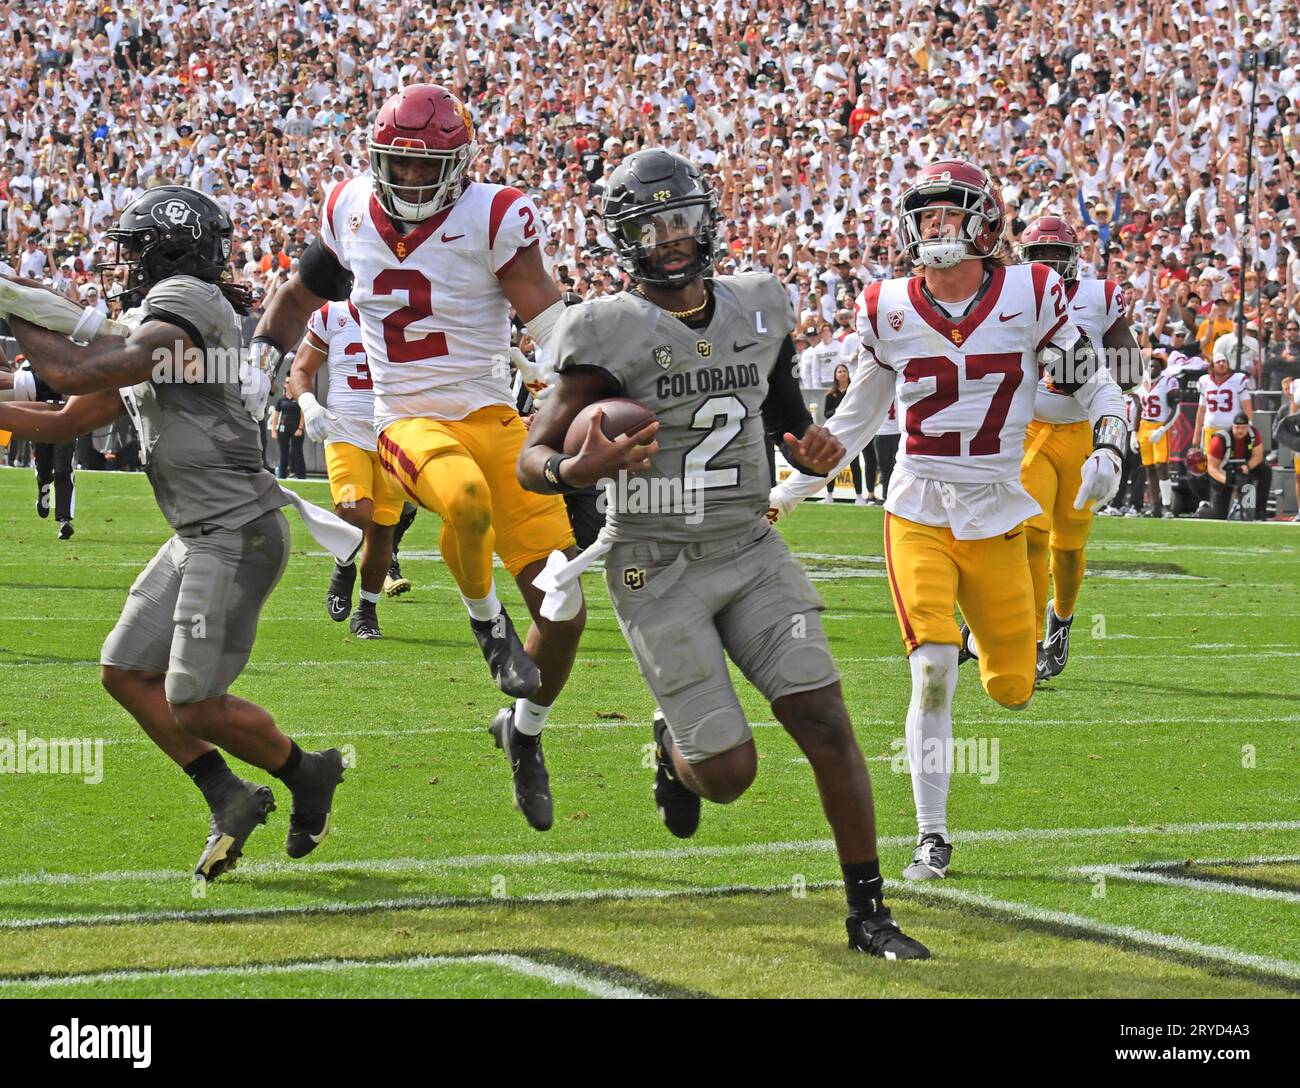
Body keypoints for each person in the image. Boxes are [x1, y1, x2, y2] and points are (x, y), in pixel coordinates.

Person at [519, 148, 928, 960]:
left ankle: (868, 913)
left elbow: (785, 414)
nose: (669, 239)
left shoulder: (758, 304)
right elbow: (532, 459)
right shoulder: (602, 329)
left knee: (825, 718)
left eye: (679, 221)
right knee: (729, 775)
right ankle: (673, 751)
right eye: (650, 228)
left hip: (749, 544)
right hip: (655, 561)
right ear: (625, 241)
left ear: (704, 221)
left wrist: (808, 444)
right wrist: (576, 469)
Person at [769, 160, 1126, 881]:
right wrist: (790, 491)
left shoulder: (1031, 291)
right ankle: (931, 835)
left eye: (949, 213)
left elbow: (1095, 382)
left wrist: (1112, 444)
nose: (934, 226)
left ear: (984, 224)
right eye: (925, 214)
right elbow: (855, 422)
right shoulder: (886, 305)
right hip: (918, 507)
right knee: (932, 670)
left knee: (1012, 687)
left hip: (996, 509)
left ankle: (994, 641)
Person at [251, 84, 584, 831]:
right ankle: (487, 625)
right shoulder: (347, 207)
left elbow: (549, 319)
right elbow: (297, 296)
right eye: (396, 164)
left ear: (458, 165)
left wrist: (580, 375)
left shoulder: (493, 214)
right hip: (405, 419)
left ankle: (524, 733)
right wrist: (258, 360)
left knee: (564, 609)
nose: (407, 178)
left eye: (423, 166)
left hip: (495, 418)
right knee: (463, 500)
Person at [0, 186, 346, 881]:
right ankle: (228, 795)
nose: (126, 265)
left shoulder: (188, 300)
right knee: (126, 671)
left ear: (169, 252)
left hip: (236, 530)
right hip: (198, 534)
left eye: (135, 251)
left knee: (192, 701)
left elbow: (72, 369)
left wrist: (12, 302)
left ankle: (307, 772)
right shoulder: (158, 324)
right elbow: (68, 416)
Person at [1016, 216, 1133, 681]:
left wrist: (1086, 367)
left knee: (1068, 546)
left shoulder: (1100, 296)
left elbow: (1129, 370)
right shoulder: (1011, 295)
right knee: (1030, 531)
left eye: (1055, 255)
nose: (1047, 264)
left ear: (1073, 258)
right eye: (1039, 256)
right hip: (1030, 430)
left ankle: (1060, 619)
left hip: (1081, 430)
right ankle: (1025, 637)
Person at [287, 300, 405, 638]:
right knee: (355, 511)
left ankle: (366, 611)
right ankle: (343, 565)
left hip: (394, 434)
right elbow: (301, 368)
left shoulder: (410, 311)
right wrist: (308, 404)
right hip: (345, 430)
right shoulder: (332, 315)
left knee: (384, 528)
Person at [1135, 351, 1181, 517]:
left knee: (1161, 466)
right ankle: (1155, 507)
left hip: (1160, 425)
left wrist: (1163, 429)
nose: (1151, 368)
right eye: (1149, 366)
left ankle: (1166, 506)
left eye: (1154, 366)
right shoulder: (1142, 382)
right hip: (1144, 427)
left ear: (1162, 367)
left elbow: (1176, 409)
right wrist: (1134, 432)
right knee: (1149, 468)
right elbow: (1139, 408)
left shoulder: (1168, 382)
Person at [1207, 413, 1270, 520]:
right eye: (1237, 427)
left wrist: (1247, 467)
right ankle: (1209, 508)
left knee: (1265, 470)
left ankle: (1259, 511)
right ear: (1232, 426)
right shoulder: (1220, 440)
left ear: (1248, 427)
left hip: (1244, 468)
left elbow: (1258, 456)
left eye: (1243, 427)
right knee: (1219, 517)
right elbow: (1212, 468)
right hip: (1223, 472)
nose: (1240, 431)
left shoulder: (1253, 434)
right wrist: (1227, 479)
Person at [822, 363, 867, 504]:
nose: (842, 373)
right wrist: (837, 411)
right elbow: (826, 413)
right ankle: (829, 495)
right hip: (835, 434)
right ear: (835, 375)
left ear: (848, 374)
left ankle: (859, 496)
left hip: (852, 432)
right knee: (832, 464)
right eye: (839, 371)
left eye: (844, 371)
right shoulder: (831, 394)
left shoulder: (853, 391)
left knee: (855, 464)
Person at [1193, 354, 1253, 455]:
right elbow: (1201, 411)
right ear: (1212, 366)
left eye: (1224, 361)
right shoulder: (1205, 381)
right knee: (1210, 460)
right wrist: (1196, 434)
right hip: (1210, 429)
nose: (1221, 364)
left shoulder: (1238, 379)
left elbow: (1247, 407)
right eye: (1218, 362)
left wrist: (1248, 427)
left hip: (1232, 430)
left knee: (1231, 458)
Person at [268, 391, 306, 479]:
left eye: (289, 383)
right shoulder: (281, 400)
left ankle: (301, 475)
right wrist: (273, 431)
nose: (287, 384)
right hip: (283, 428)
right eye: (286, 383)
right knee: (283, 452)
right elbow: (275, 416)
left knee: (297, 451)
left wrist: (300, 428)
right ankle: (282, 475)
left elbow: (302, 414)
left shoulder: (298, 398)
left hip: (296, 428)